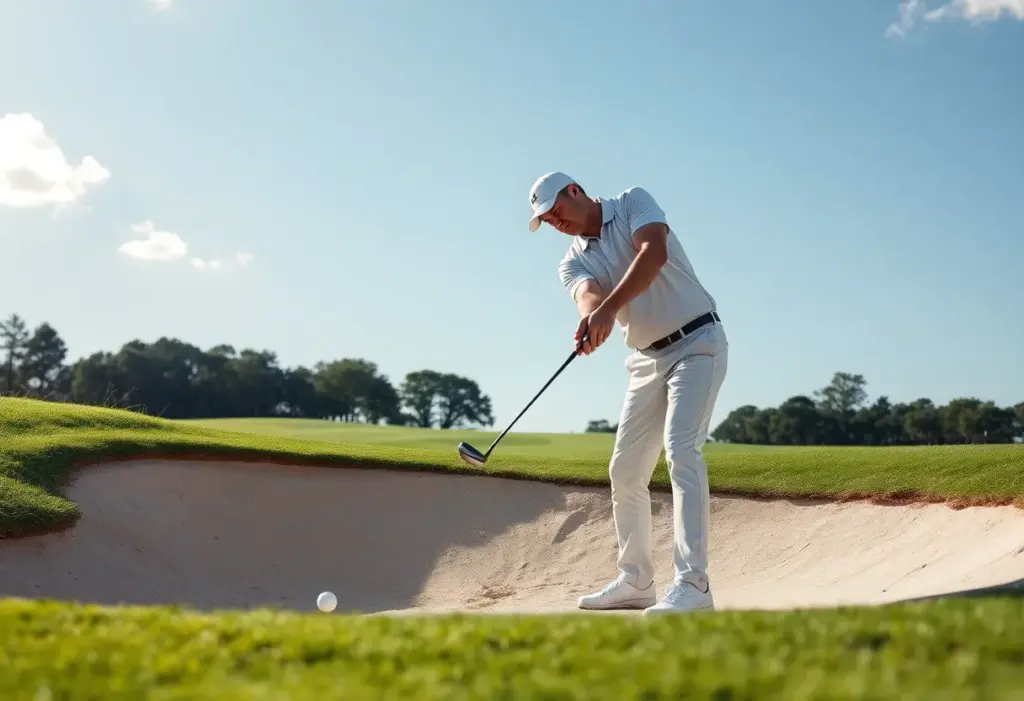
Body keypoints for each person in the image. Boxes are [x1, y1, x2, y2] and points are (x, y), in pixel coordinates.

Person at [527, 171, 729, 615]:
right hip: (645, 359)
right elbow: (587, 293)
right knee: (625, 470)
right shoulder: (571, 260)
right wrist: (592, 317)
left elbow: (652, 253)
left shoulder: (633, 201)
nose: (555, 221)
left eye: (556, 210)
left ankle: (695, 585)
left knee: (682, 451)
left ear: (575, 190)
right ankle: (637, 580)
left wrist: (609, 309)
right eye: (547, 220)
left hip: (697, 343)